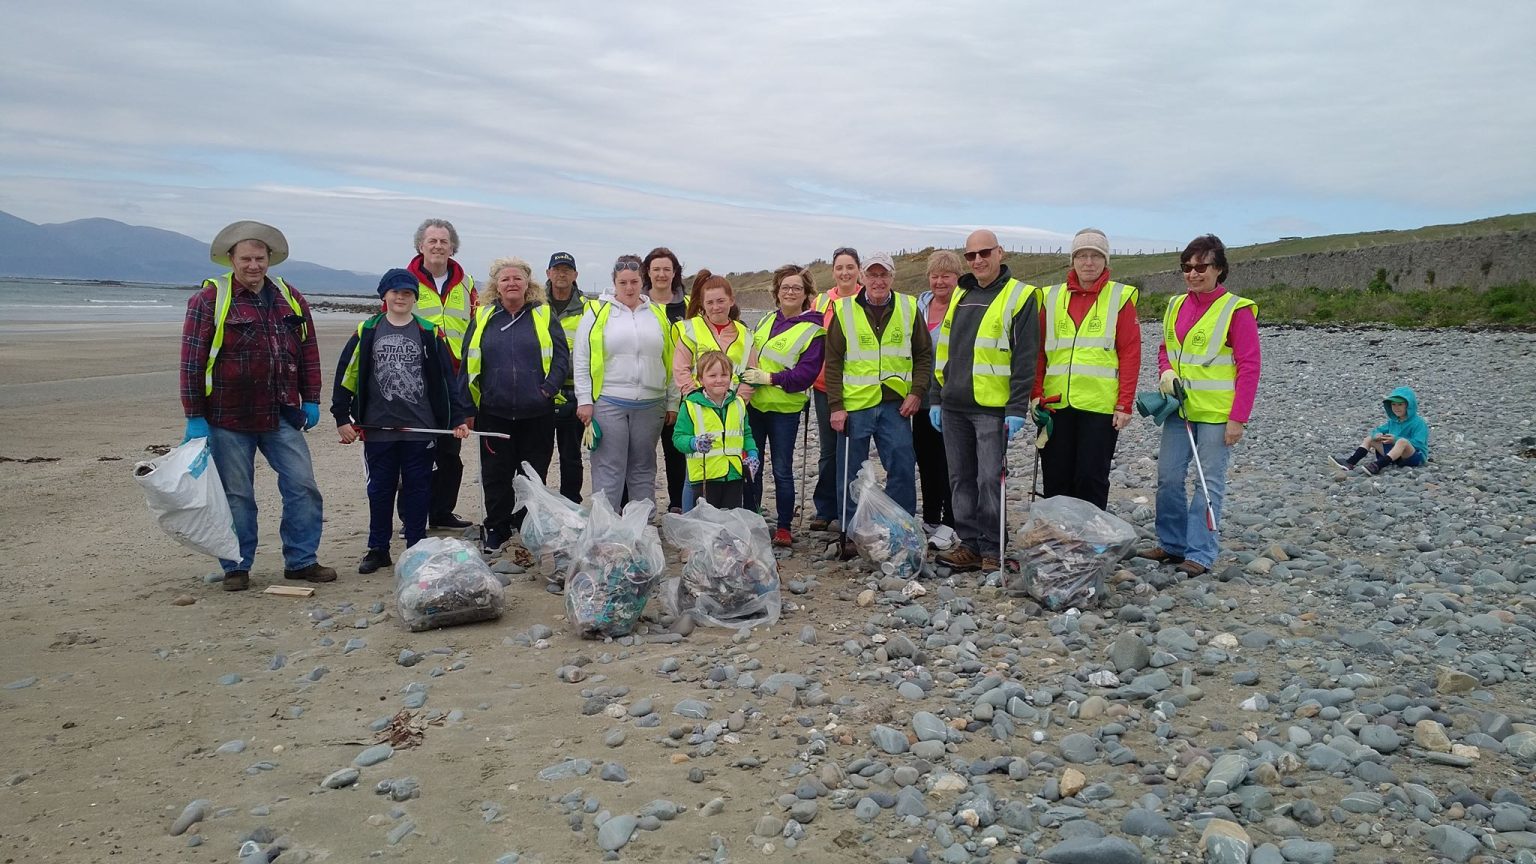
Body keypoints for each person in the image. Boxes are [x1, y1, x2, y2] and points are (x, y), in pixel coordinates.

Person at [179, 220, 335, 591]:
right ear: (231, 259)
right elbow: (191, 362)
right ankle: (236, 566)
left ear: (269, 259)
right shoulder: (209, 300)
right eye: (246, 259)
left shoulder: (289, 297)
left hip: (282, 413)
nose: (254, 265)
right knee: (237, 496)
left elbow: (308, 351)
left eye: (260, 258)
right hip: (227, 417)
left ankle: (301, 561)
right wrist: (194, 416)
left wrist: (312, 399)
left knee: (303, 486)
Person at [332, 269, 471, 573]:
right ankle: (378, 548)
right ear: (384, 295)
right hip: (378, 428)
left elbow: (447, 380)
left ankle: (416, 546)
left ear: (414, 298)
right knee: (380, 490)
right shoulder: (368, 330)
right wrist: (342, 416)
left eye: (407, 293)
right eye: (395, 292)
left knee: (418, 489)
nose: (401, 297)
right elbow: (347, 375)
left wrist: (457, 418)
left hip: (420, 428)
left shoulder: (429, 331)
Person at [1145, 234, 1261, 577]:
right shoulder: (1175, 305)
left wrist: (1238, 418)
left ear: (1219, 269)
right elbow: (1166, 348)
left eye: (1201, 267)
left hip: (1216, 414)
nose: (1193, 274)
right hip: (1178, 410)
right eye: (1187, 267)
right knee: (1168, 478)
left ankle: (1200, 552)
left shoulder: (1236, 310)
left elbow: (1249, 366)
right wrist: (1165, 371)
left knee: (1208, 484)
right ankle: (1171, 544)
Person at [931, 230, 1039, 573]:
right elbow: (944, 349)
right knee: (960, 479)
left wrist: (1016, 407)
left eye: (984, 253)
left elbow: (1025, 357)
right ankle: (970, 545)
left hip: (992, 408)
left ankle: (994, 546)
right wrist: (936, 396)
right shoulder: (961, 293)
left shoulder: (1021, 296)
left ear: (1000, 252)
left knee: (989, 480)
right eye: (971, 255)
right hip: (954, 404)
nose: (978, 260)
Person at [460, 257, 570, 553]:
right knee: (496, 474)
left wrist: (548, 389)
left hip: (537, 413)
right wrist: (467, 408)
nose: (511, 283)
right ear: (496, 285)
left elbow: (561, 357)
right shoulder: (484, 316)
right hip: (493, 412)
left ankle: (528, 526)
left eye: (517, 278)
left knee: (532, 474)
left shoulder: (543, 315)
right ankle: (497, 527)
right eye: (505, 279)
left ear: (527, 284)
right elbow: (467, 362)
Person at [1032, 228, 1142, 510]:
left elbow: (1130, 353)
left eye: (1096, 256)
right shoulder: (1050, 297)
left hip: (1099, 406)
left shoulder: (1119, 298)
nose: (1089, 262)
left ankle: (1091, 534)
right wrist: (1036, 395)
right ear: (1073, 260)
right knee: (1056, 475)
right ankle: (1058, 532)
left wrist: (1124, 404)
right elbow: (1038, 352)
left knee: (1091, 477)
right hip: (1055, 405)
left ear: (1106, 261)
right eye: (1082, 255)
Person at [825, 252, 931, 528]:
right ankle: (850, 529)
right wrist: (836, 406)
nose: (878, 281)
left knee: (902, 466)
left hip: (896, 405)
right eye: (872, 275)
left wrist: (917, 392)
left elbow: (923, 355)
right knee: (849, 471)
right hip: (855, 405)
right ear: (863, 277)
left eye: (883, 274)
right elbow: (833, 362)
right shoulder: (844, 310)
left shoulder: (909, 307)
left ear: (892, 277)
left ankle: (901, 528)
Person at [574, 255, 678, 511]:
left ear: (642, 281)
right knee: (609, 466)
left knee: (644, 466)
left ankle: (642, 522)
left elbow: (671, 359)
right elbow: (582, 358)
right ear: (614, 283)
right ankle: (606, 523)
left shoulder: (657, 314)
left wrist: (672, 401)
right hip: (609, 401)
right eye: (623, 283)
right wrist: (584, 400)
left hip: (651, 403)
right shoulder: (597, 313)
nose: (629, 288)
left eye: (634, 282)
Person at [741, 264, 825, 546]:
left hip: (784, 412)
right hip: (754, 406)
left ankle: (784, 527)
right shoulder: (766, 320)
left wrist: (770, 378)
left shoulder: (814, 330)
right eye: (785, 287)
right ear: (776, 291)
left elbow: (805, 375)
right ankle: (752, 520)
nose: (790, 292)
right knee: (751, 465)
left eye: (797, 288)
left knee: (782, 470)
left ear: (806, 293)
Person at [404, 219, 478, 530]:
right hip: (415, 382)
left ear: (452, 247)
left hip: (455, 382)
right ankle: (412, 517)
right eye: (432, 241)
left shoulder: (466, 284)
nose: (437, 246)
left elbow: (476, 328)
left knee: (450, 451)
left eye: (443, 241)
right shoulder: (405, 281)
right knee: (415, 453)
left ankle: (442, 512)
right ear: (420, 245)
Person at [808, 247, 864, 530]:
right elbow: (809, 340)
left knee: (853, 451)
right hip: (824, 386)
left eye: (850, 267)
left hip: (859, 388)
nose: (845, 273)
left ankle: (850, 510)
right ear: (833, 272)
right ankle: (825, 508)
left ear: (859, 269)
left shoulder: (868, 298)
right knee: (829, 450)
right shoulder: (820, 302)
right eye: (839, 268)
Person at [673, 351, 760, 509]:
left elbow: (746, 434)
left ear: (731, 377)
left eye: (724, 375)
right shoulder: (691, 405)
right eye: (712, 375)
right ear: (701, 379)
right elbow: (678, 438)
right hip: (705, 476)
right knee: (706, 521)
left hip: (734, 474)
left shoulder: (739, 404)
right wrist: (693, 443)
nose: (719, 380)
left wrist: (752, 454)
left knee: (731, 519)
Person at [914, 250, 961, 531]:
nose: (940, 281)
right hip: (921, 399)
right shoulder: (917, 307)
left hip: (951, 399)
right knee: (926, 460)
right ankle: (930, 517)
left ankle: (951, 520)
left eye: (946, 276)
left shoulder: (964, 306)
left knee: (950, 463)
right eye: (935, 275)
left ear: (957, 277)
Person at [643, 247, 691, 513]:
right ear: (648, 272)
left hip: (682, 392)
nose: (661, 274)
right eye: (656, 269)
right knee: (641, 456)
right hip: (644, 393)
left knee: (677, 452)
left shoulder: (689, 306)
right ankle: (639, 507)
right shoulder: (637, 304)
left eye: (667, 269)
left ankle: (678, 505)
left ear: (675, 273)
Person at [545, 252, 592, 503]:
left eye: (566, 270)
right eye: (557, 269)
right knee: (538, 454)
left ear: (575, 275)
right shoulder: (536, 305)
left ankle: (572, 503)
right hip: (542, 391)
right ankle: (535, 506)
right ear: (548, 273)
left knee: (571, 455)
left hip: (575, 391)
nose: (561, 274)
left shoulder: (588, 308)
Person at [1331, 387, 1429, 474]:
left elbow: (1419, 444)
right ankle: (1350, 462)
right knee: (1370, 438)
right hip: (1396, 457)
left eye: (1400, 404)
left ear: (1409, 405)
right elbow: (1376, 430)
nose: (1396, 408)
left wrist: (1395, 439)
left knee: (1402, 441)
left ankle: (1378, 465)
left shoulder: (1419, 423)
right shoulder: (1393, 421)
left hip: (1414, 457)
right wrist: (1377, 435)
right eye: (1393, 404)